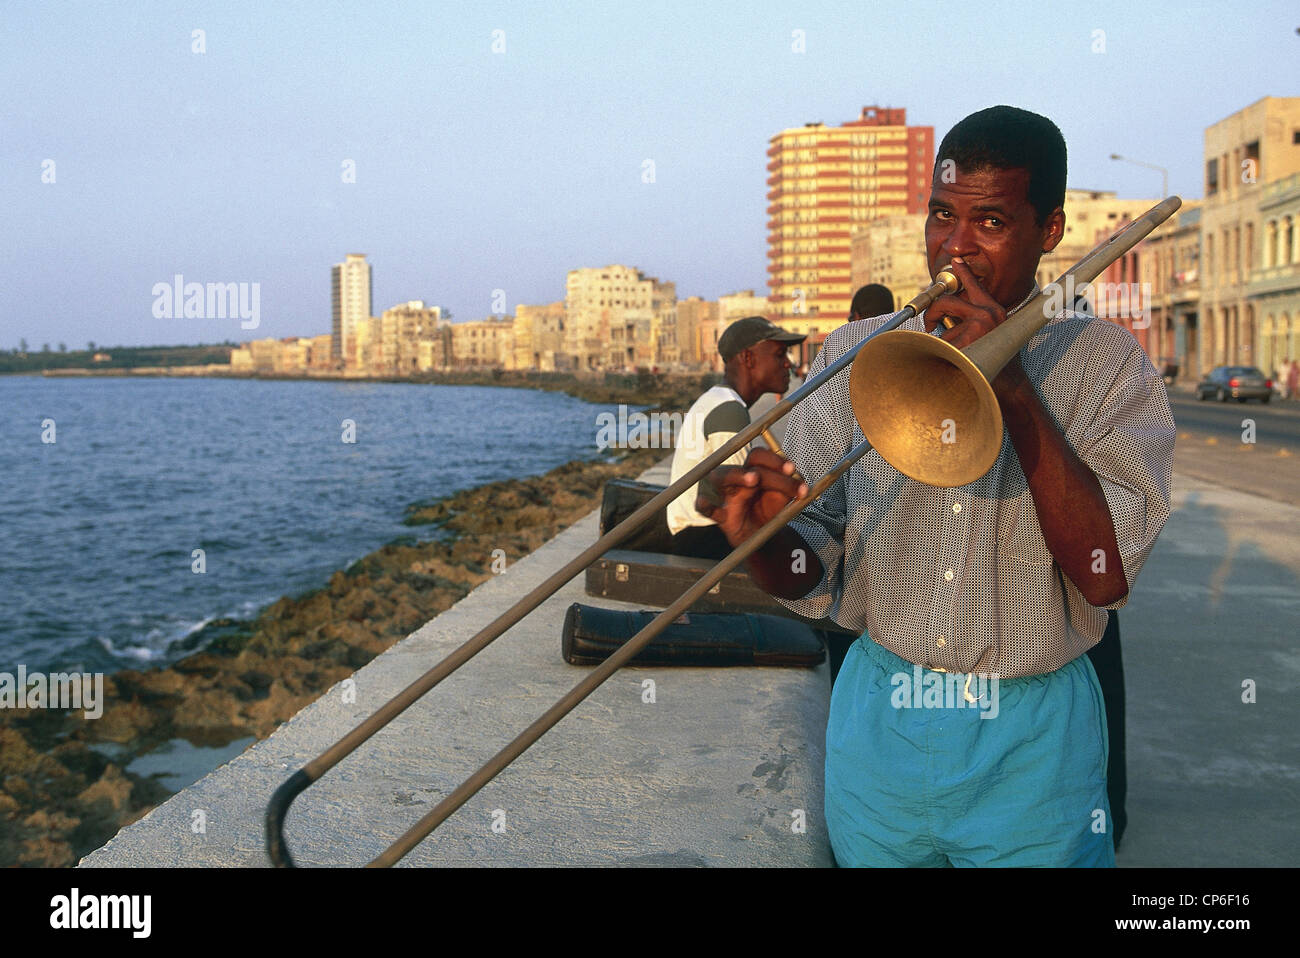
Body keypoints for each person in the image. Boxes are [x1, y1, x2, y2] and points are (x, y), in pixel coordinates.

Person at [700, 105, 1175, 866]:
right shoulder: (856, 353)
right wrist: (762, 537)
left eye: (991, 221)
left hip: (1031, 748)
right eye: (943, 215)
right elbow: (809, 575)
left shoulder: (1108, 365)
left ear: (1049, 230)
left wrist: (1012, 385)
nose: (957, 247)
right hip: (878, 732)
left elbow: (1104, 574)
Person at [665, 316, 805, 559]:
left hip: (691, 530)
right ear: (748, 358)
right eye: (780, 354)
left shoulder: (716, 399)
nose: (788, 365)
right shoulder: (730, 410)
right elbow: (731, 499)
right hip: (702, 536)